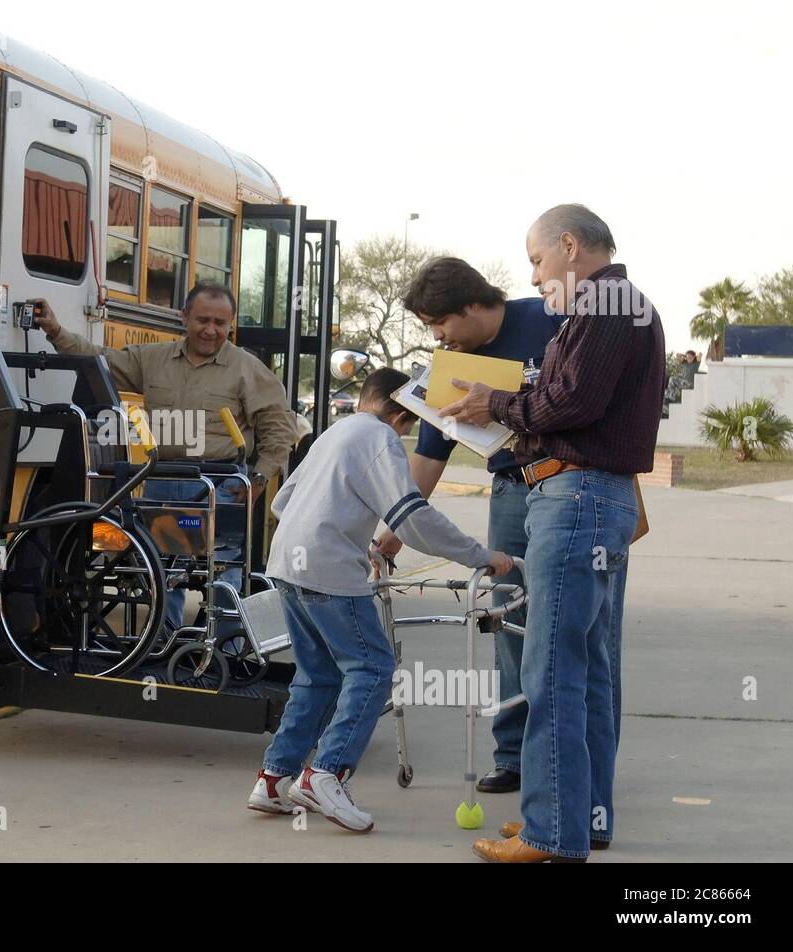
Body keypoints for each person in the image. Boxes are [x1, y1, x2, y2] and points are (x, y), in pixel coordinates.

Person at [439, 204, 665, 862]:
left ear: (570, 245)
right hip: (595, 497)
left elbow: (572, 403)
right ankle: (580, 818)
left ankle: (549, 833)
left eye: (537, 261)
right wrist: (519, 396)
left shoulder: (603, 302)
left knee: (552, 669)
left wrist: (495, 403)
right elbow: (569, 393)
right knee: (587, 669)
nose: (535, 278)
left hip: (577, 495)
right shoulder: (618, 305)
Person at [247, 368, 512, 832]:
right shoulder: (382, 439)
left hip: (286, 563)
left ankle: (273, 779)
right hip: (328, 571)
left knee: (317, 675)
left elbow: (282, 504)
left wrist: (354, 541)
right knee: (373, 670)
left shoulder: (335, 432)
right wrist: (482, 555)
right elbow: (412, 518)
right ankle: (326, 774)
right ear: (403, 413)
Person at [376, 257, 563, 797]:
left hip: (571, 487)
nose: (438, 336)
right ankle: (513, 755)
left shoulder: (550, 319)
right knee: (509, 619)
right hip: (512, 491)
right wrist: (392, 533)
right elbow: (428, 463)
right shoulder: (448, 366)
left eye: (441, 323)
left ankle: (564, 756)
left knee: (569, 624)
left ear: (476, 305)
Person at [33, 284, 296, 631]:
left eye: (221, 323)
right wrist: (55, 331)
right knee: (159, 568)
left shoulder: (247, 368)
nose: (211, 330)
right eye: (202, 319)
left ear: (231, 325)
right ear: (184, 317)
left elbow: (279, 425)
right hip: (159, 478)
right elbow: (97, 360)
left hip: (218, 483)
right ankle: (164, 641)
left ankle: (228, 648)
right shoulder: (152, 358)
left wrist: (259, 478)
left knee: (225, 569)